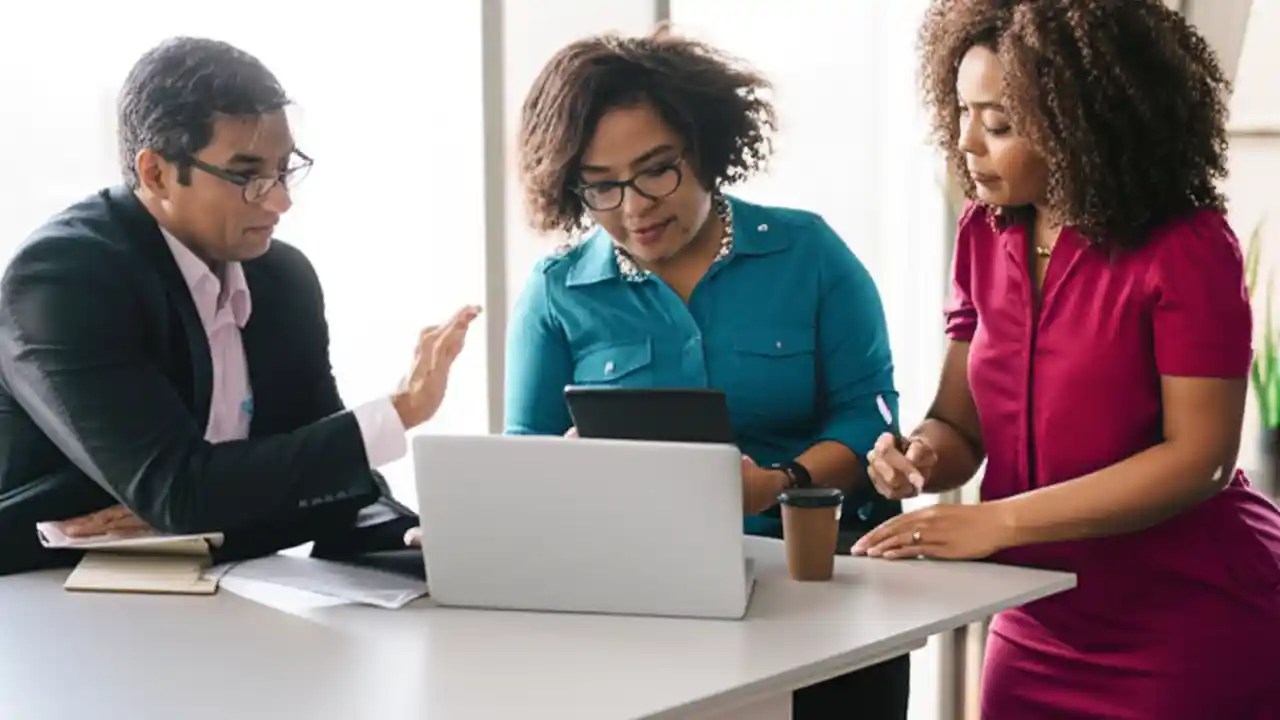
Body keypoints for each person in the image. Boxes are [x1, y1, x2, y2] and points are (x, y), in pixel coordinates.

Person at [854, 2, 1280, 718]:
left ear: (1084, 125)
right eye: (961, 112)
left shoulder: (1186, 247)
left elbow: (1201, 458)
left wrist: (997, 523)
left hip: (1190, 622)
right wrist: (921, 456)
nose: (965, 143)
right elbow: (959, 427)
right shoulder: (983, 235)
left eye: (998, 124)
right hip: (1037, 620)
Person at [505, 28, 908, 719]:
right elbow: (522, 462)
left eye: (657, 169)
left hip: (822, 595)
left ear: (705, 147)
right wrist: (554, 477)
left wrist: (780, 485)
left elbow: (866, 423)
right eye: (602, 188)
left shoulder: (809, 254)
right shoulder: (556, 292)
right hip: (642, 613)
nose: (634, 208)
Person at [0, 37, 479, 576]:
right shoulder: (64, 279)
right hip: (42, 603)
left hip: (213, 596)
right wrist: (400, 411)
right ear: (156, 173)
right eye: (248, 175)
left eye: (284, 168)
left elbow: (331, 483)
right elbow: (181, 491)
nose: (279, 200)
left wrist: (434, 540)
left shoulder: (281, 278)